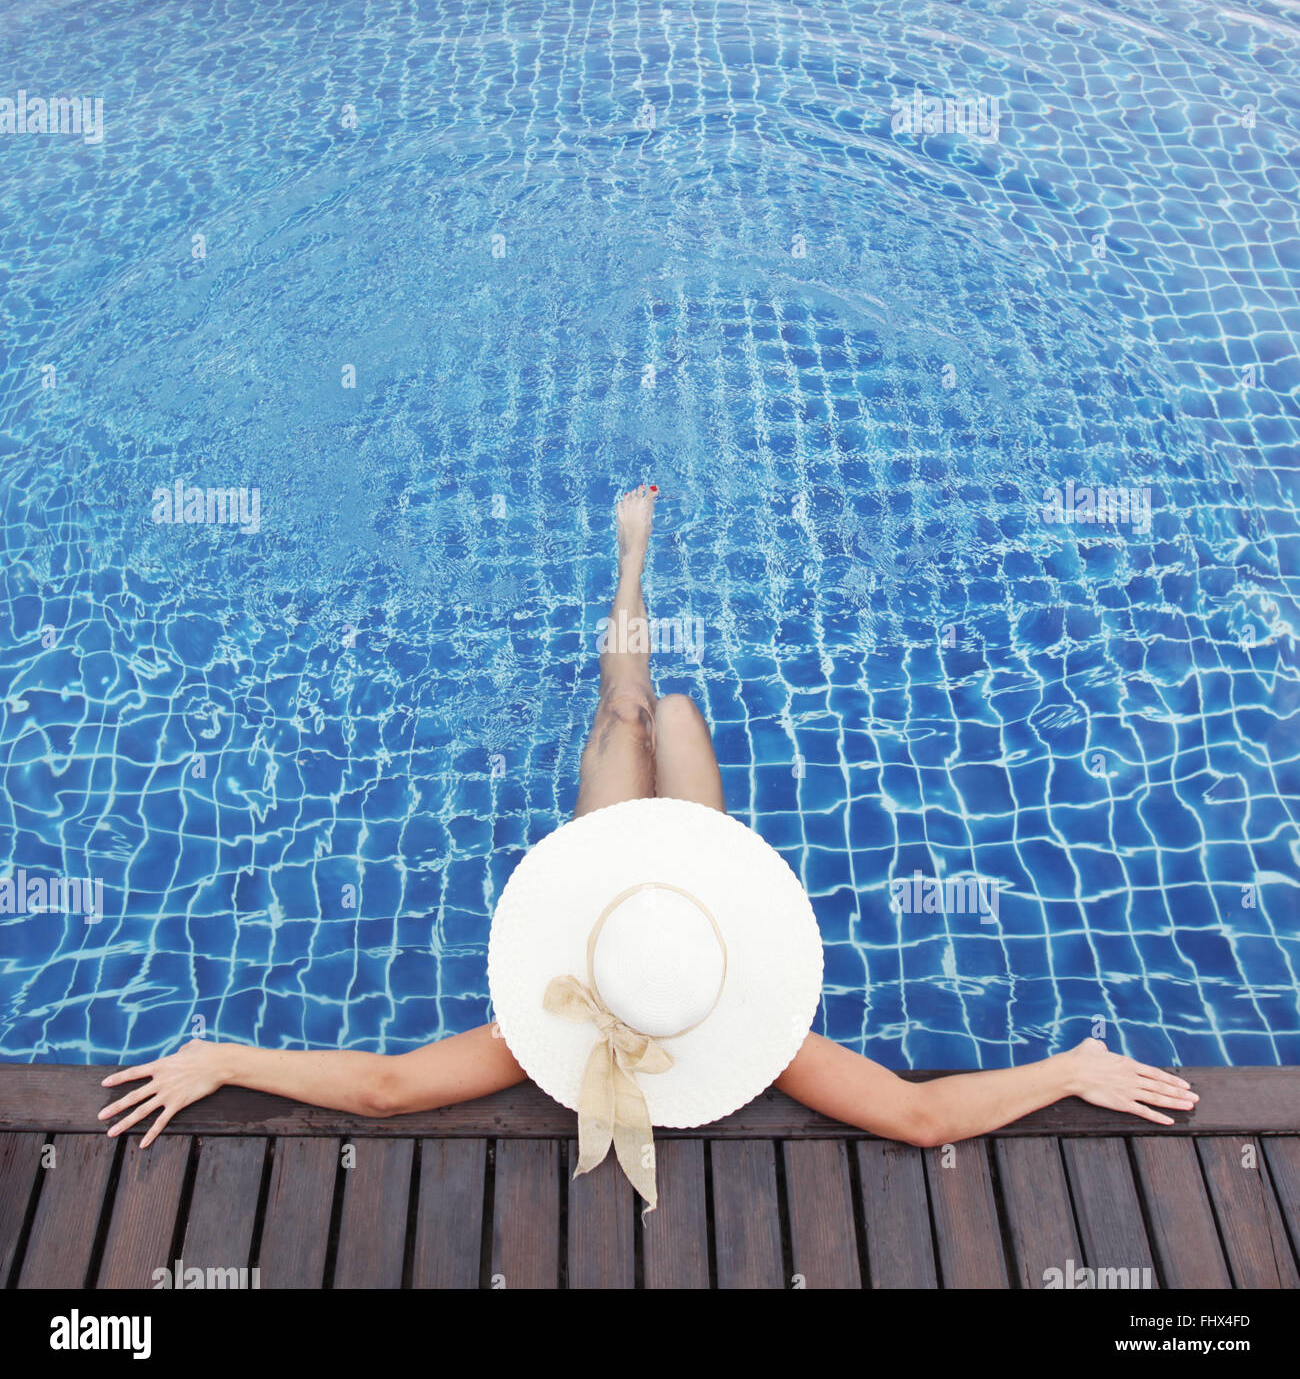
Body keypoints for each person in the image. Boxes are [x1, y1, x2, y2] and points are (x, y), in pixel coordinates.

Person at [99, 487, 1198, 1150]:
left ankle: (629, 567)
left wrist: (226, 1057)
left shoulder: (538, 1048)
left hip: (630, 911)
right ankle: (633, 566)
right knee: (667, 708)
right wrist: (1063, 1068)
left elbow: (387, 1088)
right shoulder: (770, 1048)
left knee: (627, 712)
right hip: (681, 908)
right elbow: (918, 1121)